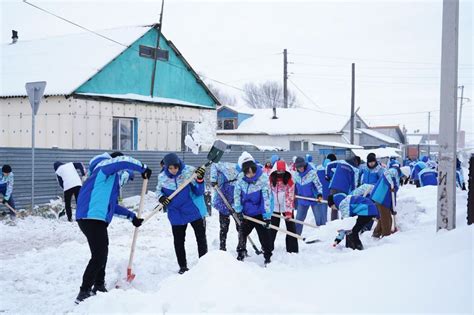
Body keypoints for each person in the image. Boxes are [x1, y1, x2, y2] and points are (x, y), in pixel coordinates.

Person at [75, 152, 151, 304]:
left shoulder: (104, 182)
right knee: (99, 255)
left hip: (95, 219)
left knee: (102, 252)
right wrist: (143, 168)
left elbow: (112, 206)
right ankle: (84, 292)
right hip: (91, 217)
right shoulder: (103, 167)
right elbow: (122, 162)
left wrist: (132, 217)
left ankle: (98, 285)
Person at [156, 153, 208, 275]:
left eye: (176, 167)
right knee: (179, 241)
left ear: (179, 165)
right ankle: (183, 266)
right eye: (170, 168)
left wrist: (200, 179)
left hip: (192, 209)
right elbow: (158, 190)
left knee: (200, 237)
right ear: (166, 167)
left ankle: (205, 263)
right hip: (176, 212)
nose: (174, 170)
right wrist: (161, 198)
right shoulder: (162, 177)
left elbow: (199, 191)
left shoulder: (189, 171)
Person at [234, 152, 273, 264]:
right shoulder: (240, 179)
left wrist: (267, 216)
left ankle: (267, 256)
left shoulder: (263, 178)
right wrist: (238, 210)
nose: (250, 175)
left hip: (260, 213)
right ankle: (241, 252)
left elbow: (266, 198)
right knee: (242, 233)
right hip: (246, 213)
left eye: (252, 172)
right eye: (248, 172)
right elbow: (237, 195)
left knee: (264, 236)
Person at [268, 160, 298, 253]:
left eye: (282, 171)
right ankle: (268, 248)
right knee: (272, 228)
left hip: (286, 206)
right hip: (274, 207)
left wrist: (289, 212)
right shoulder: (270, 180)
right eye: (278, 171)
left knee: (291, 228)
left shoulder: (290, 181)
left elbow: (290, 196)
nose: (280, 173)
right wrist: (268, 209)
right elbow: (268, 194)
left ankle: (292, 250)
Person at [210, 161, 241, 251]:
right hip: (223, 198)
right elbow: (214, 164)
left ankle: (241, 248)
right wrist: (213, 179)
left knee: (240, 227)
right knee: (224, 226)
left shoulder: (247, 173)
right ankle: (222, 247)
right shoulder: (226, 167)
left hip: (237, 202)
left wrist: (235, 206)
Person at [293, 156, 323, 234]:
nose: (301, 168)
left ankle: (322, 234)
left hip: (313, 199)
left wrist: (320, 194)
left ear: (304, 165)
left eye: (302, 166)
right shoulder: (296, 174)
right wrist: (293, 193)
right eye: (299, 167)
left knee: (319, 220)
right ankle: (297, 236)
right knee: (298, 219)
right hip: (302, 199)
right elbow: (293, 186)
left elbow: (319, 185)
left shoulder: (312, 173)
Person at [370, 168, 399, 238]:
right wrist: (391, 183)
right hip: (382, 199)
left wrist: (392, 209)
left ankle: (376, 233)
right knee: (387, 219)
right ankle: (386, 236)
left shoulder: (393, 177)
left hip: (379, 197)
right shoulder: (394, 173)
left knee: (384, 217)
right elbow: (387, 174)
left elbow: (392, 194)